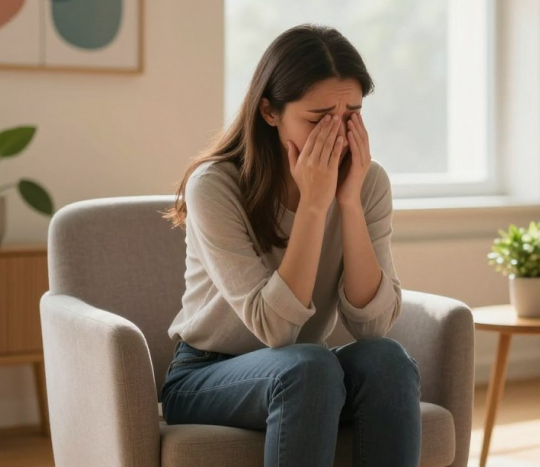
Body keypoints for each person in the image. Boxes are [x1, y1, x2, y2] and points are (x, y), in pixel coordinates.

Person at [161, 24, 421, 467]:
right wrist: (314, 208)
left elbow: (373, 325)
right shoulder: (216, 185)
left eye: (352, 115)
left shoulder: (368, 180)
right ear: (269, 111)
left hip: (303, 370)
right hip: (206, 374)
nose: (337, 136)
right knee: (308, 366)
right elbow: (276, 331)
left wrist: (349, 203)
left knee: (387, 360)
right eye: (319, 120)